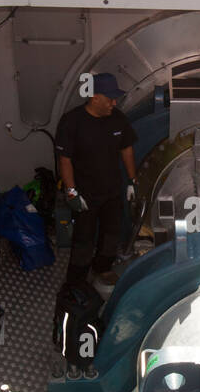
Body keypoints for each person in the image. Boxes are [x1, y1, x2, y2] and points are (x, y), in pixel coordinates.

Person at [55, 73, 138, 285]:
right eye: (110, 98)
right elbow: (65, 160)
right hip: (85, 194)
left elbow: (126, 149)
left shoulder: (118, 119)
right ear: (95, 97)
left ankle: (102, 268)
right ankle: (77, 280)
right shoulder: (72, 122)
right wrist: (71, 191)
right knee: (83, 240)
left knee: (111, 235)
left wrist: (131, 180)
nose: (114, 103)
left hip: (112, 191)